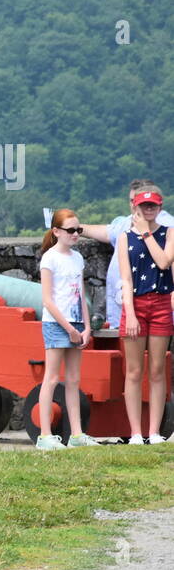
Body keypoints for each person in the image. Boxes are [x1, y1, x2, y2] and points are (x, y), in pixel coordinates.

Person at [36, 210, 99, 450]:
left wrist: (86, 327)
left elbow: (81, 295)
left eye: (78, 230)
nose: (76, 234)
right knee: (52, 378)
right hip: (56, 323)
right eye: (71, 230)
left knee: (73, 379)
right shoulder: (50, 259)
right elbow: (47, 300)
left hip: (77, 323)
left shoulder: (77, 258)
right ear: (56, 232)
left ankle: (77, 434)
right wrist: (70, 329)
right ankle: (44, 435)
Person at [117, 188, 174, 444]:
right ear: (134, 207)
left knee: (158, 369)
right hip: (136, 303)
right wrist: (130, 314)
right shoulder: (123, 238)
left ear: (160, 207)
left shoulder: (168, 233)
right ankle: (136, 432)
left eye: (153, 206)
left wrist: (147, 233)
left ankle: (154, 431)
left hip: (161, 302)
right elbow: (126, 280)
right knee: (133, 371)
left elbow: (163, 262)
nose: (148, 210)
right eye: (144, 206)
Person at [81, 179, 173, 328]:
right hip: (123, 305)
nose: (132, 205)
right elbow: (105, 232)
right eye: (131, 201)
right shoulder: (126, 223)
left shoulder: (168, 226)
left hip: (156, 305)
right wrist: (73, 227)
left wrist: (145, 232)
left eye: (136, 201)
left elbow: (166, 262)